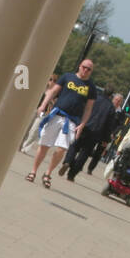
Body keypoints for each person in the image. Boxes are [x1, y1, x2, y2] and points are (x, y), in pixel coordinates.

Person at [27, 59, 95, 188]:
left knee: (62, 148)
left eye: (89, 69)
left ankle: (48, 173)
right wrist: (43, 105)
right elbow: (53, 92)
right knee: (44, 145)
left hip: (72, 121)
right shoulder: (67, 77)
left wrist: (82, 124)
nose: (85, 70)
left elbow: (88, 108)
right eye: (84, 67)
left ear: (91, 71)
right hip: (57, 115)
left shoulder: (91, 87)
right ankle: (33, 171)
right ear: (79, 66)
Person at [65, 91, 121, 181]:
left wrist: (77, 122)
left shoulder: (93, 98)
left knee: (74, 145)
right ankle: (72, 173)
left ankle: (68, 160)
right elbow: (108, 125)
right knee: (84, 153)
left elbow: (82, 108)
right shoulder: (110, 108)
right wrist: (106, 139)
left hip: (83, 126)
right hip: (95, 133)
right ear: (112, 96)